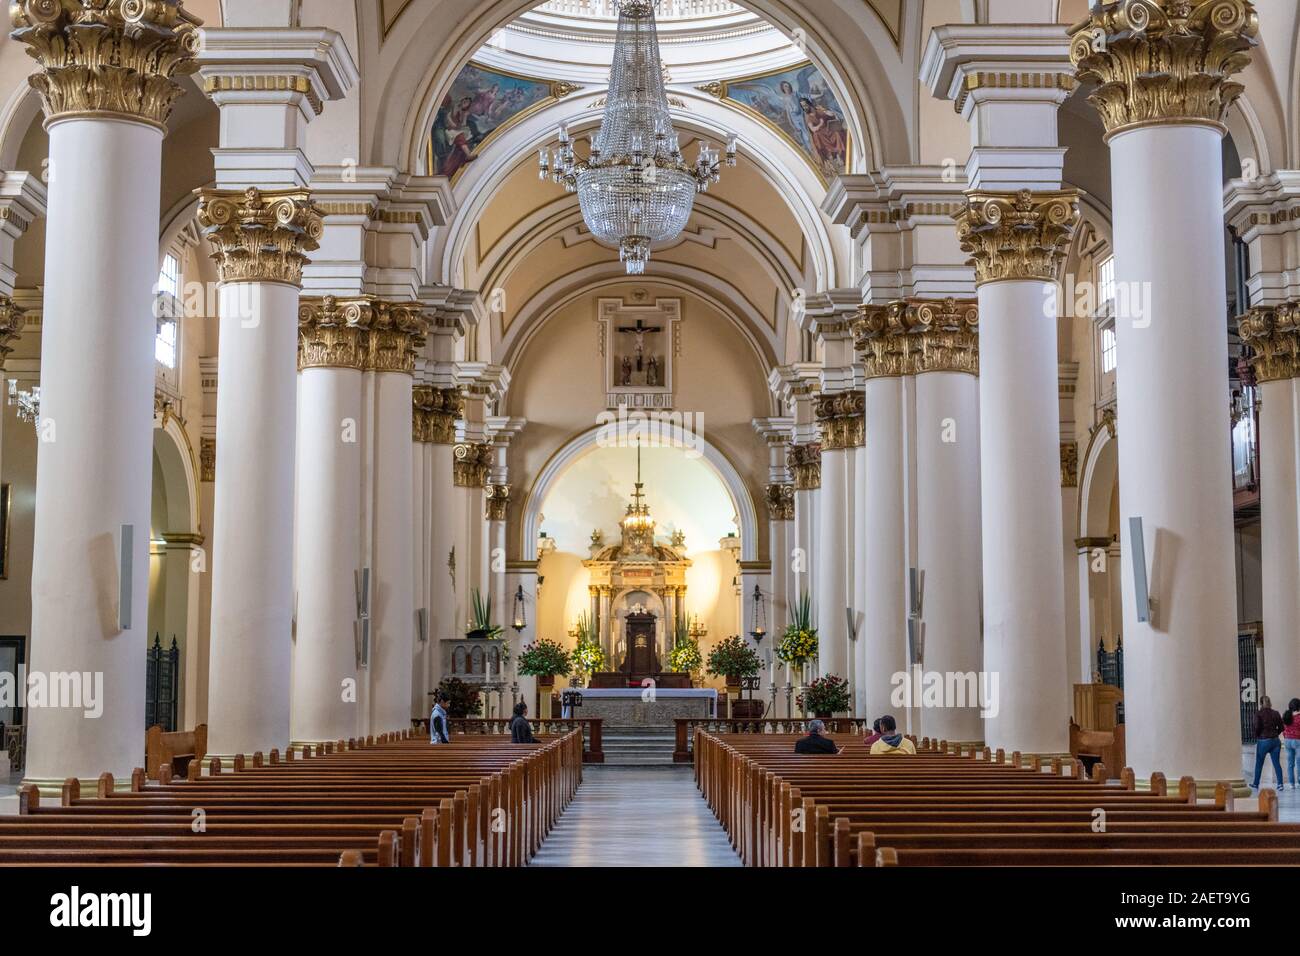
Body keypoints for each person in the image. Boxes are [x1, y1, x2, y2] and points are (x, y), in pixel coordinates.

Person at [1254, 695, 1285, 790]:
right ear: (1270, 702)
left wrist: (1258, 735)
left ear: (1261, 703)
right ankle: (1280, 784)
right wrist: (1275, 733)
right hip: (1275, 741)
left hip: (1263, 740)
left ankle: (1256, 784)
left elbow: (1257, 727)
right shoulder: (1276, 713)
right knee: (1276, 763)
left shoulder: (1258, 714)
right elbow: (1281, 727)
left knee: (1259, 763)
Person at [1284, 698, 1300, 789]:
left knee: (1290, 763)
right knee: (1299, 762)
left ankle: (1291, 784)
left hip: (1287, 741)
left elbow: (1284, 728)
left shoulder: (1286, 715)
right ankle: (1299, 782)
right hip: (1297, 740)